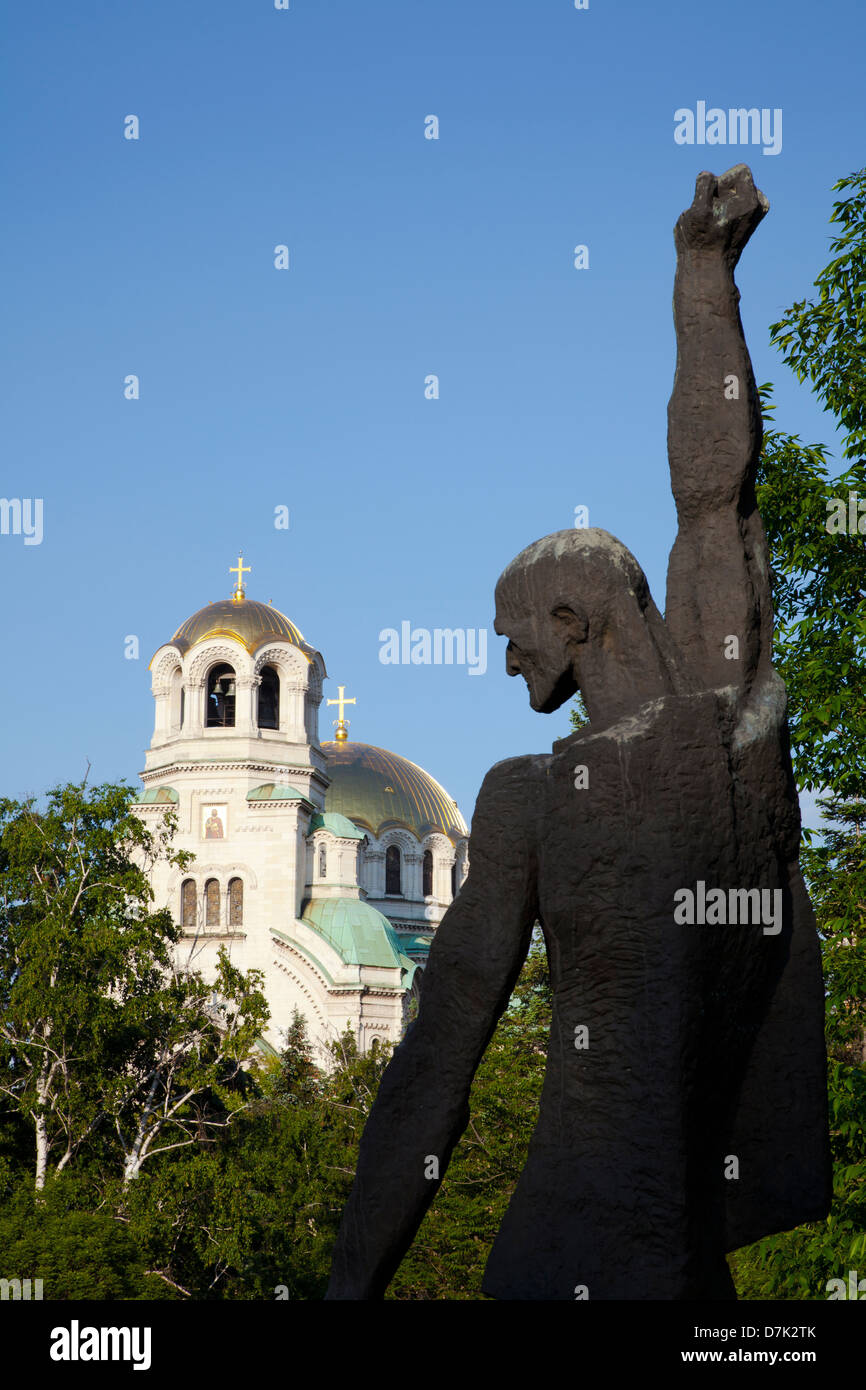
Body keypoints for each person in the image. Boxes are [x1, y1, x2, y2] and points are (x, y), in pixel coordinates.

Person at [326, 167, 831, 1300]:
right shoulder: (732, 735)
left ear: (570, 620)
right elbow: (718, 500)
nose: (505, 659)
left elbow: (438, 1055)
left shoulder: (531, 797)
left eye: (513, 634)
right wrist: (703, 275)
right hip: (692, 1261)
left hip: (572, 1246)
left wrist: (349, 1283)